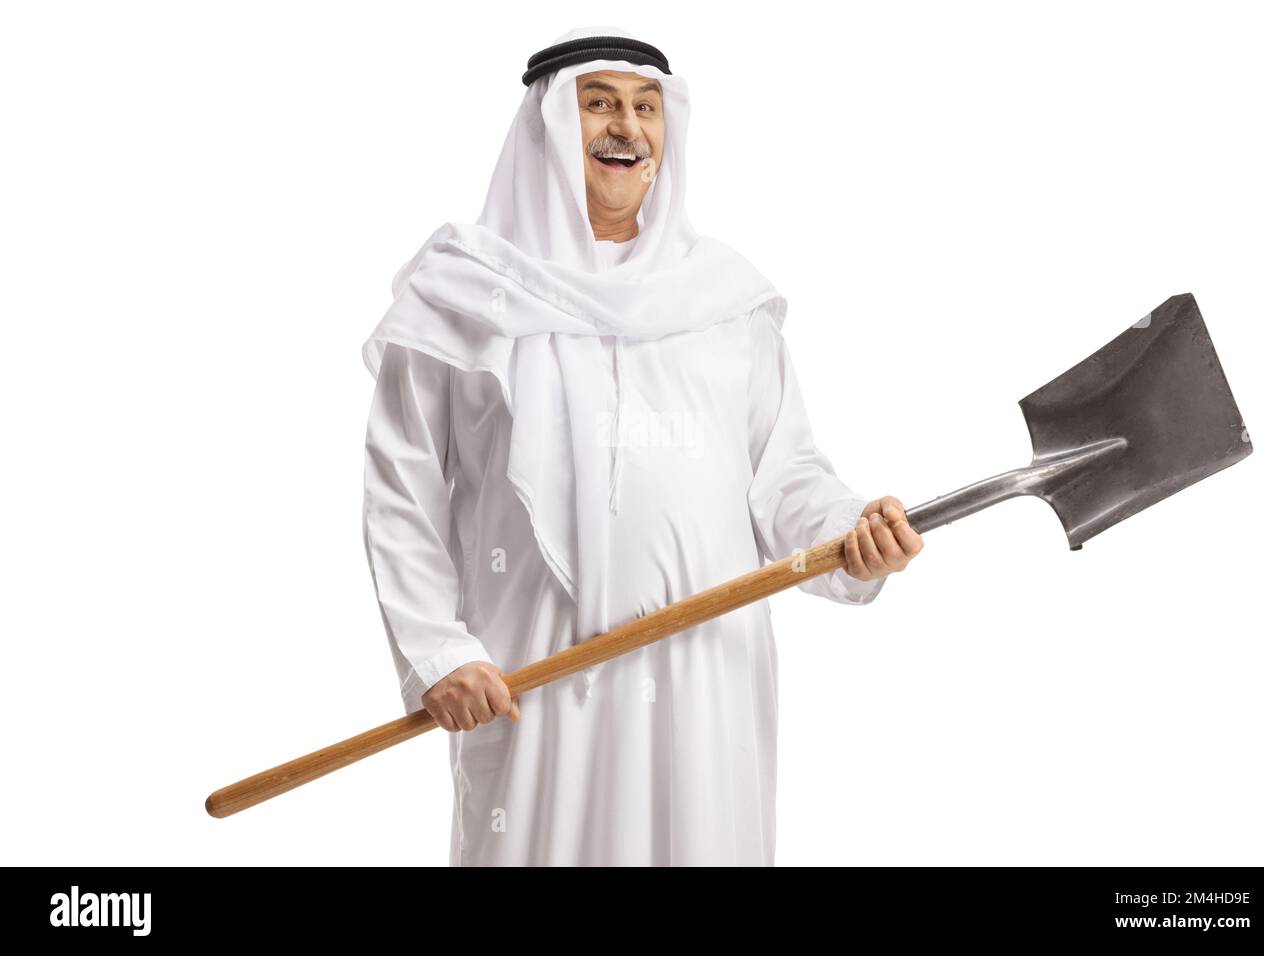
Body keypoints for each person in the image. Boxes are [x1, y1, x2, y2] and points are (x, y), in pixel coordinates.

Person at [360, 26, 923, 866]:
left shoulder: (725, 303)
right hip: (532, 687)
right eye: (599, 105)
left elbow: (786, 478)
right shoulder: (464, 297)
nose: (627, 127)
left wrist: (850, 534)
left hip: (708, 684)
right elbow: (401, 498)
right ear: (549, 126)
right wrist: (440, 653)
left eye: (647, 107)